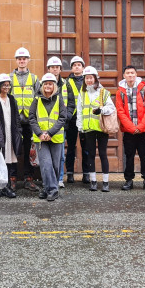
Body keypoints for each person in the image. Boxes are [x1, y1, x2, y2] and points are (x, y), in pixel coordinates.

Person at [115, 65, 145, 192]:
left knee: (144, 155)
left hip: (143, 131)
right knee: (129, 155)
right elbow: (120, 112)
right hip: (129, 131)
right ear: (124, 76)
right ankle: (128, 180)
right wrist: (132, 128)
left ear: (136, 75)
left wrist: (140, 127)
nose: (130, 75)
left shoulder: (144, 90)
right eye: (128, 73)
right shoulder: (120, 92)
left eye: (132, 73)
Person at [77, 66, 115, 192]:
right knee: (91, 155)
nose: (88, 80)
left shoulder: (103, 92)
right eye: (86, 78)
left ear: (95, 78)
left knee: (103, 154)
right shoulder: (82, 93)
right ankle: (93, 182)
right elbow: (79, 112)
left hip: (101, 128)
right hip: (88, 129)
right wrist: (80, 128)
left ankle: (105, 182)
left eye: (91, 78)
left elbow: (111, 108)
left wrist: (101, 110)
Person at [29, 73, 67, 201]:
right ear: (42, 86)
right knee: (46, 164)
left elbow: (62, 118)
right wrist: (40, 134)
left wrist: (50, 133)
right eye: (45, 84)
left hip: (55, 138)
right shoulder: (36, 100)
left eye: (50, 84)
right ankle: (53, 190)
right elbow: (32, 118)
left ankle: (47, 188)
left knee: (55, 166)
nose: (48, 86)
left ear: (54, 86)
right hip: (41, 139)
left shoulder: (59, 99)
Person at [10, 47, 39, 191]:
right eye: (19, 59)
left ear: (28, 60)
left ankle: (29, 178)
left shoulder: (34, 79)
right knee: (14, 150)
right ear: (16, 60)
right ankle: (13, 178)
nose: (22, 61)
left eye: (24, 59)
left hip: (29, 122)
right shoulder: (9, 78)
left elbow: (39, 99)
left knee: (29, 151)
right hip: (14, 122)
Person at [0, 73, 19, 198]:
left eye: (8, 85)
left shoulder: (12, 99)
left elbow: (16, 118)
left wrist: (18, 133)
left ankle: (6, 186)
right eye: (4, 85)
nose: (6, 87)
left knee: (9, 160)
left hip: (10, 134)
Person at [64, 55, 87, 184]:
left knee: (86, 148)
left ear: (83, 67)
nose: (77, 66)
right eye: (74, 65)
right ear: (72, 68)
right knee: (71, 147)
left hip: (85, 119)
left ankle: (86, 174)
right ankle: (70, 173)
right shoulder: (66, 82)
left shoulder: (89, 80)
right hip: (71, 119)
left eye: (79, 64)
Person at [46, 56, 68, 187]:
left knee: (60, 155)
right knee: (46, 156)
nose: (55, 69)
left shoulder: (65, 84)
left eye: (57, 67)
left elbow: (70, 101)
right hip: (45, 125)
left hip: (61, 124)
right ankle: (48, 180)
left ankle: (59, 179)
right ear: (48, 69)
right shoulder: (43, 83)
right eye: (52, 67)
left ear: (60, 69)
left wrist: (67, 116)